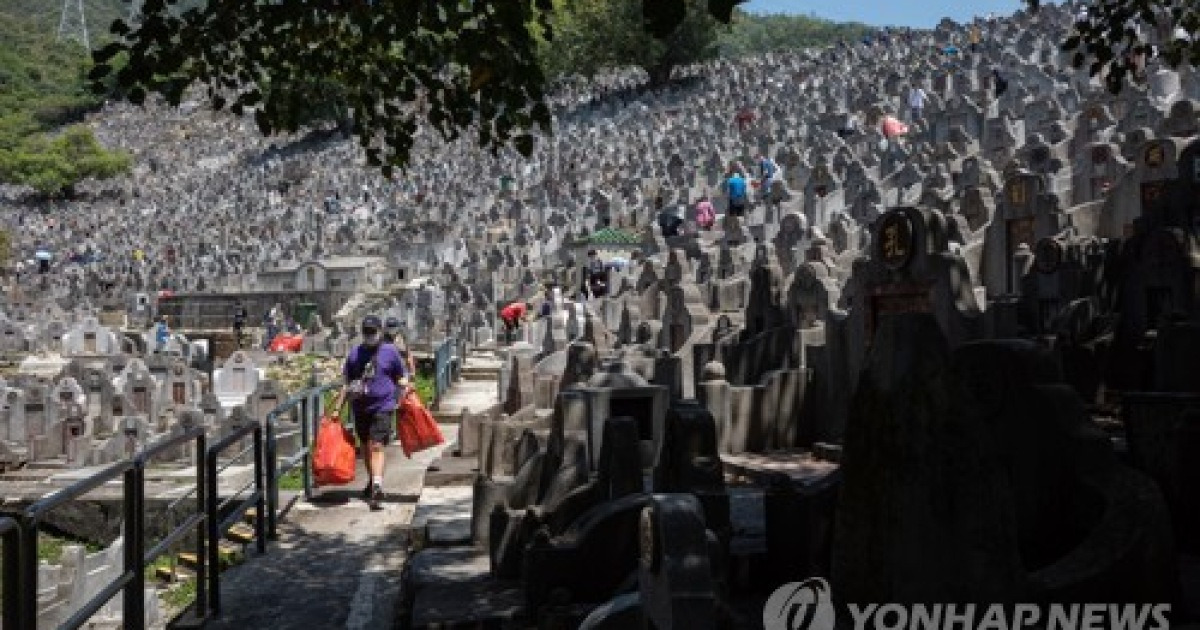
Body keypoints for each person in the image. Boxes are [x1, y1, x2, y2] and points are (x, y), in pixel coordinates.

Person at [337, 316, 408, 511]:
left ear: (380, 331)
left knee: (377, 445)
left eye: (373, 331)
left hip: (383, 406)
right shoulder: (354, 355)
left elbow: (400, 375)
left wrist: (404, 390)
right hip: (360, 407)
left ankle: (377, 485)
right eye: (367, 332)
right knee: (367, 447)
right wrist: (337, 409)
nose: (370, 335)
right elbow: (347, 384)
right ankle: (372, 480)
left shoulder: (390, 352)